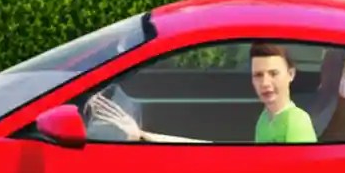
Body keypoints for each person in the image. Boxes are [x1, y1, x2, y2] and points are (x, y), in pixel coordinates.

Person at [86, 42, 318, 144]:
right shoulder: (265, 120)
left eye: (273, 73)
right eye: (258, 75)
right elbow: (216, 149)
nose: (265, 83)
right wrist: (143, 135)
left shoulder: (296, 121)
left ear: (291, 74)